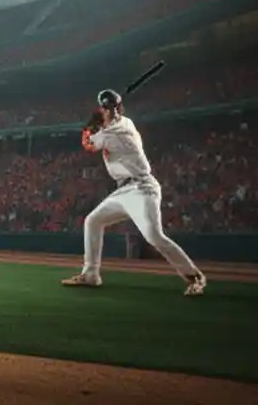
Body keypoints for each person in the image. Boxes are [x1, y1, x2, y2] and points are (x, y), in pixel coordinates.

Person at [63, 89, 207, 296]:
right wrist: (96, 124)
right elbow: (98, 135)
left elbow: (88, 145)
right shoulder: (119, 124)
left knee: (153, 236)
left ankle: (195, 277)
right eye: (105, 108)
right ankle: (91, 274)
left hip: (142, 188)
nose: (109, 112)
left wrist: (88, 126)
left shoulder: (117, 129)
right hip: (123, 190)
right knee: (93, 220)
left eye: (111, 108)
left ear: (118, 109)